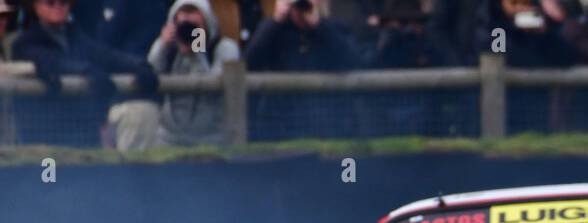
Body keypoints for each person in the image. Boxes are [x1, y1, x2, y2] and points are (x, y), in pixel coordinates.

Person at [12, 0, 160, 148]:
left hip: (83, 135)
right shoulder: (24, 43)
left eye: (63, 2)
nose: (57, 5)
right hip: (43, 140)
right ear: (35, 6)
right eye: (50, 2)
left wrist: (139, 66)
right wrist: (86, 71)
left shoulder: (76, 37)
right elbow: (49, 61)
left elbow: (106, 56)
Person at [147, 0, 239, 146]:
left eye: (195, 27)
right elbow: (149, 74)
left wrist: (197, 50)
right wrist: (161, 45)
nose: (189, 32)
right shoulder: (170, 49)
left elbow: (212, 89)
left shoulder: (224, 48)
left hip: (211, 141)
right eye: (183, 25)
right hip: (169, 140)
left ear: (208, 24)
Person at [245, 0, 358, 71]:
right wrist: (276, 20)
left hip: (325, 105)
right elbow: (248, 63)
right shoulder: (274, 31)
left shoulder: (335, 28)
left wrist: (319, 26)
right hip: (282, 105)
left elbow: (353, 62)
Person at [482, 0, 574, 68]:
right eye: (515, 3)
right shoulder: (491, 27)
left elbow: (566, 59)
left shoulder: (540, 28)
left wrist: (544, 35)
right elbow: (499, 55)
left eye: (525, 4)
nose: (521, 8)